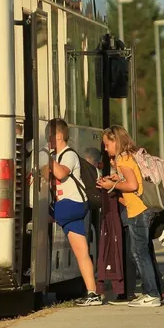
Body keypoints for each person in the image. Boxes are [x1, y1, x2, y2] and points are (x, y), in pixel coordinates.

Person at [97, 125, 164, 307]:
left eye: (107, 144)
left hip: (138, 210)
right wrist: (117, 180)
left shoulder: (123, 159)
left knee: (139, 253)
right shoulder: (131, 155)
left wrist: (111, 186)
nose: (106, 149)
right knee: (143, 251)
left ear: (116, 141)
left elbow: (133, 186)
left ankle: (152, 294)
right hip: (144, 208)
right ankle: (156, 291)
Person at [45, 119, 101, 306]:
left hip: (72, 204)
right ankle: (92, 293)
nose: (47, 139)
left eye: (49, 136)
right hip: (69, 207)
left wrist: (45, 156)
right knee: (81, 251)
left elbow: (61, 173)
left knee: (39, 218)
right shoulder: (57, 156)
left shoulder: (68, 154)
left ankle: (29, 268)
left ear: (59, 136)